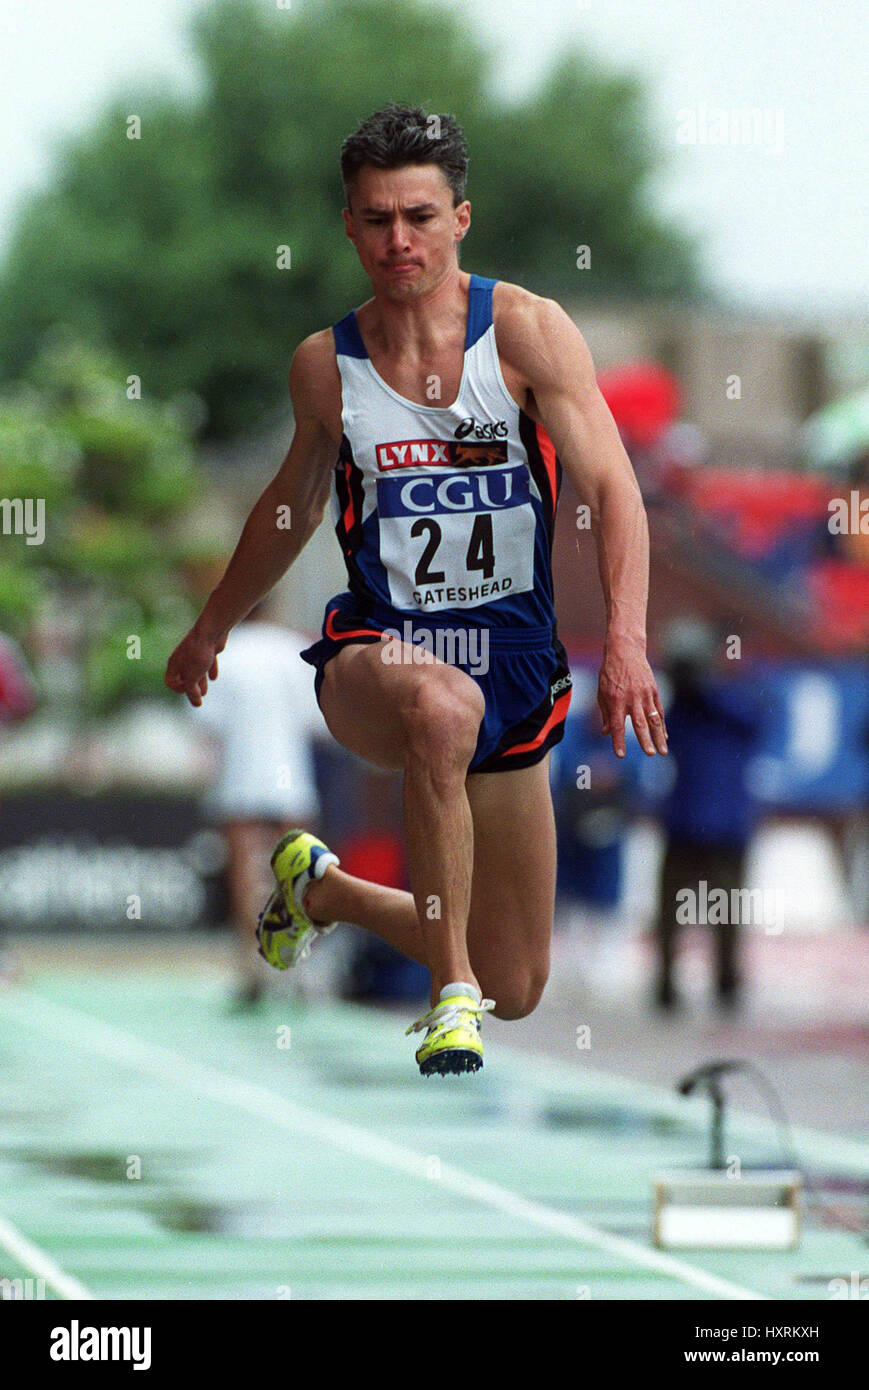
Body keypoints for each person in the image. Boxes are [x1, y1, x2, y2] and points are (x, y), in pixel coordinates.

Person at [165, 104, 668, 1076]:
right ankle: (446, 1001)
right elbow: (288, 507)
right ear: (348, 226)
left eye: (419, 217)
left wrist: (627, 640)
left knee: (515, 982)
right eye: (375, 219)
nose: (398, 240)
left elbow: (613, 487)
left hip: (515, 659)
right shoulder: (328, 366)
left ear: (459, 219)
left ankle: (328, 894)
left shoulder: (524, 332)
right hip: (374, 656)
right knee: (442, 707)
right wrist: (211, 626)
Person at [190, 603, 324, 1008]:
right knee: (300, 869)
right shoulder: (294, 652)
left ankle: (254, 966)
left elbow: (206, 723)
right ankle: (298, 965)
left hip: (241, 777)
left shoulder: (220, 655)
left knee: (245, 874)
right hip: (290, 777)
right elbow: (317, 719)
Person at [653, 618, 766, 1013]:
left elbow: (748, 718)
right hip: (686, 819)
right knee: (670, 910)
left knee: (727, 910)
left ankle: (727, 984)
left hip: (726, 824)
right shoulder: (683, 701)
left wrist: (703, 684)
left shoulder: (744, 694)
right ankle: (665, 984)